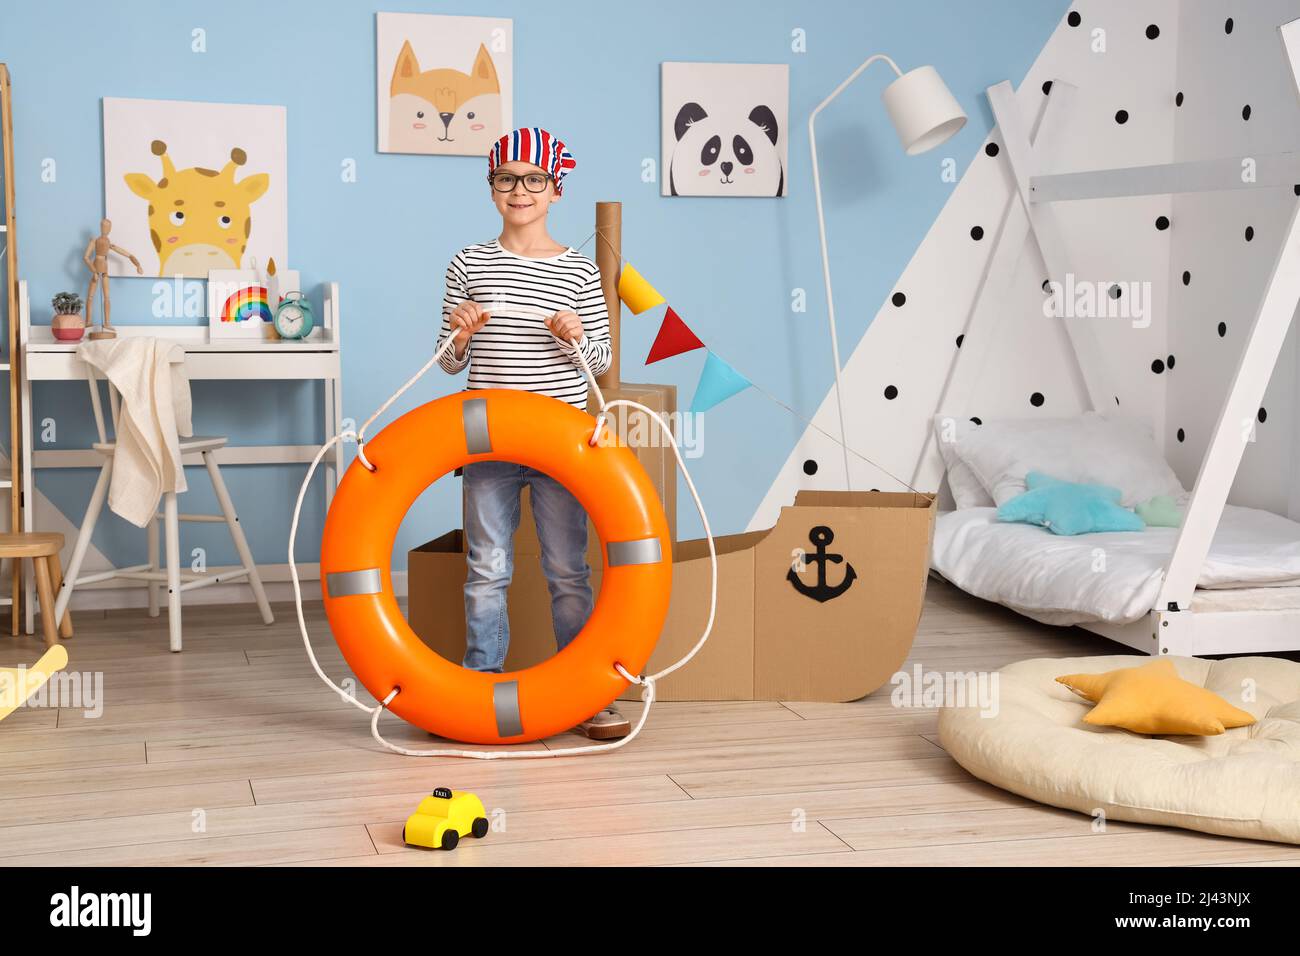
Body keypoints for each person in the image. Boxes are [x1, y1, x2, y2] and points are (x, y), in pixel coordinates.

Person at [437, 127, 629, 740]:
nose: (520, 190)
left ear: (554, 190)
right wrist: (462, 332)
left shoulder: (577, 271)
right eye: (507, 179)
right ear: (492, 188)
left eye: (533, 180)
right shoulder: (468, 261)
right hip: (488, 441)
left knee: (566, 568)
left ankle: (587, 694)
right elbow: (446, 362)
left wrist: (577, 333)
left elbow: (598, 362)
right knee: (487, 567)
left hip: (560, 441)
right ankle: (481, 684)